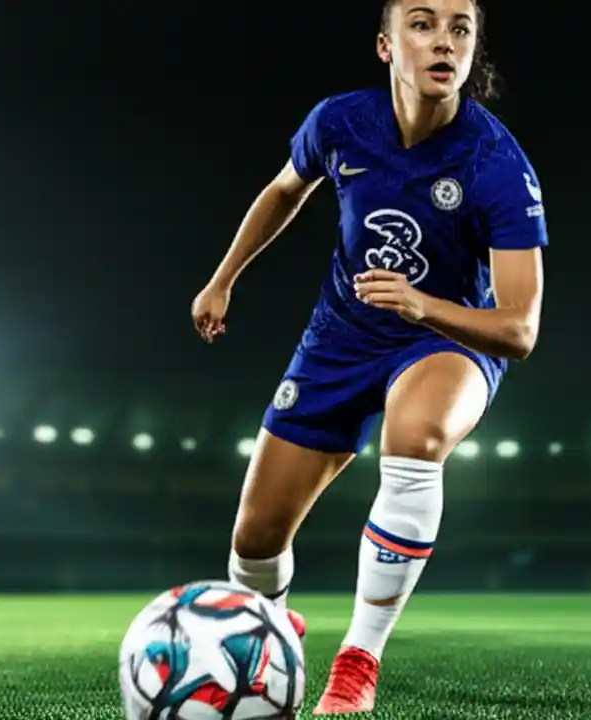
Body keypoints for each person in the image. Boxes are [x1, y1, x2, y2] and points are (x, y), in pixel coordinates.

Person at [190, 0, 547, 713]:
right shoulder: (339, 122)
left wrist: (424, 306)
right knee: (254, 540)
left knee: (412, 440)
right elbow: (283, 190)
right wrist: (223, 277)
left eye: (460, 28)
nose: (444, 40)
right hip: (340, 338)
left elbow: (519, 329)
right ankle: (271, 642)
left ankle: (358, 660)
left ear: (474, 49)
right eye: (423, 23)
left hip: (446, 339)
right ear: (386, 47)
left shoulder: (497, 164)